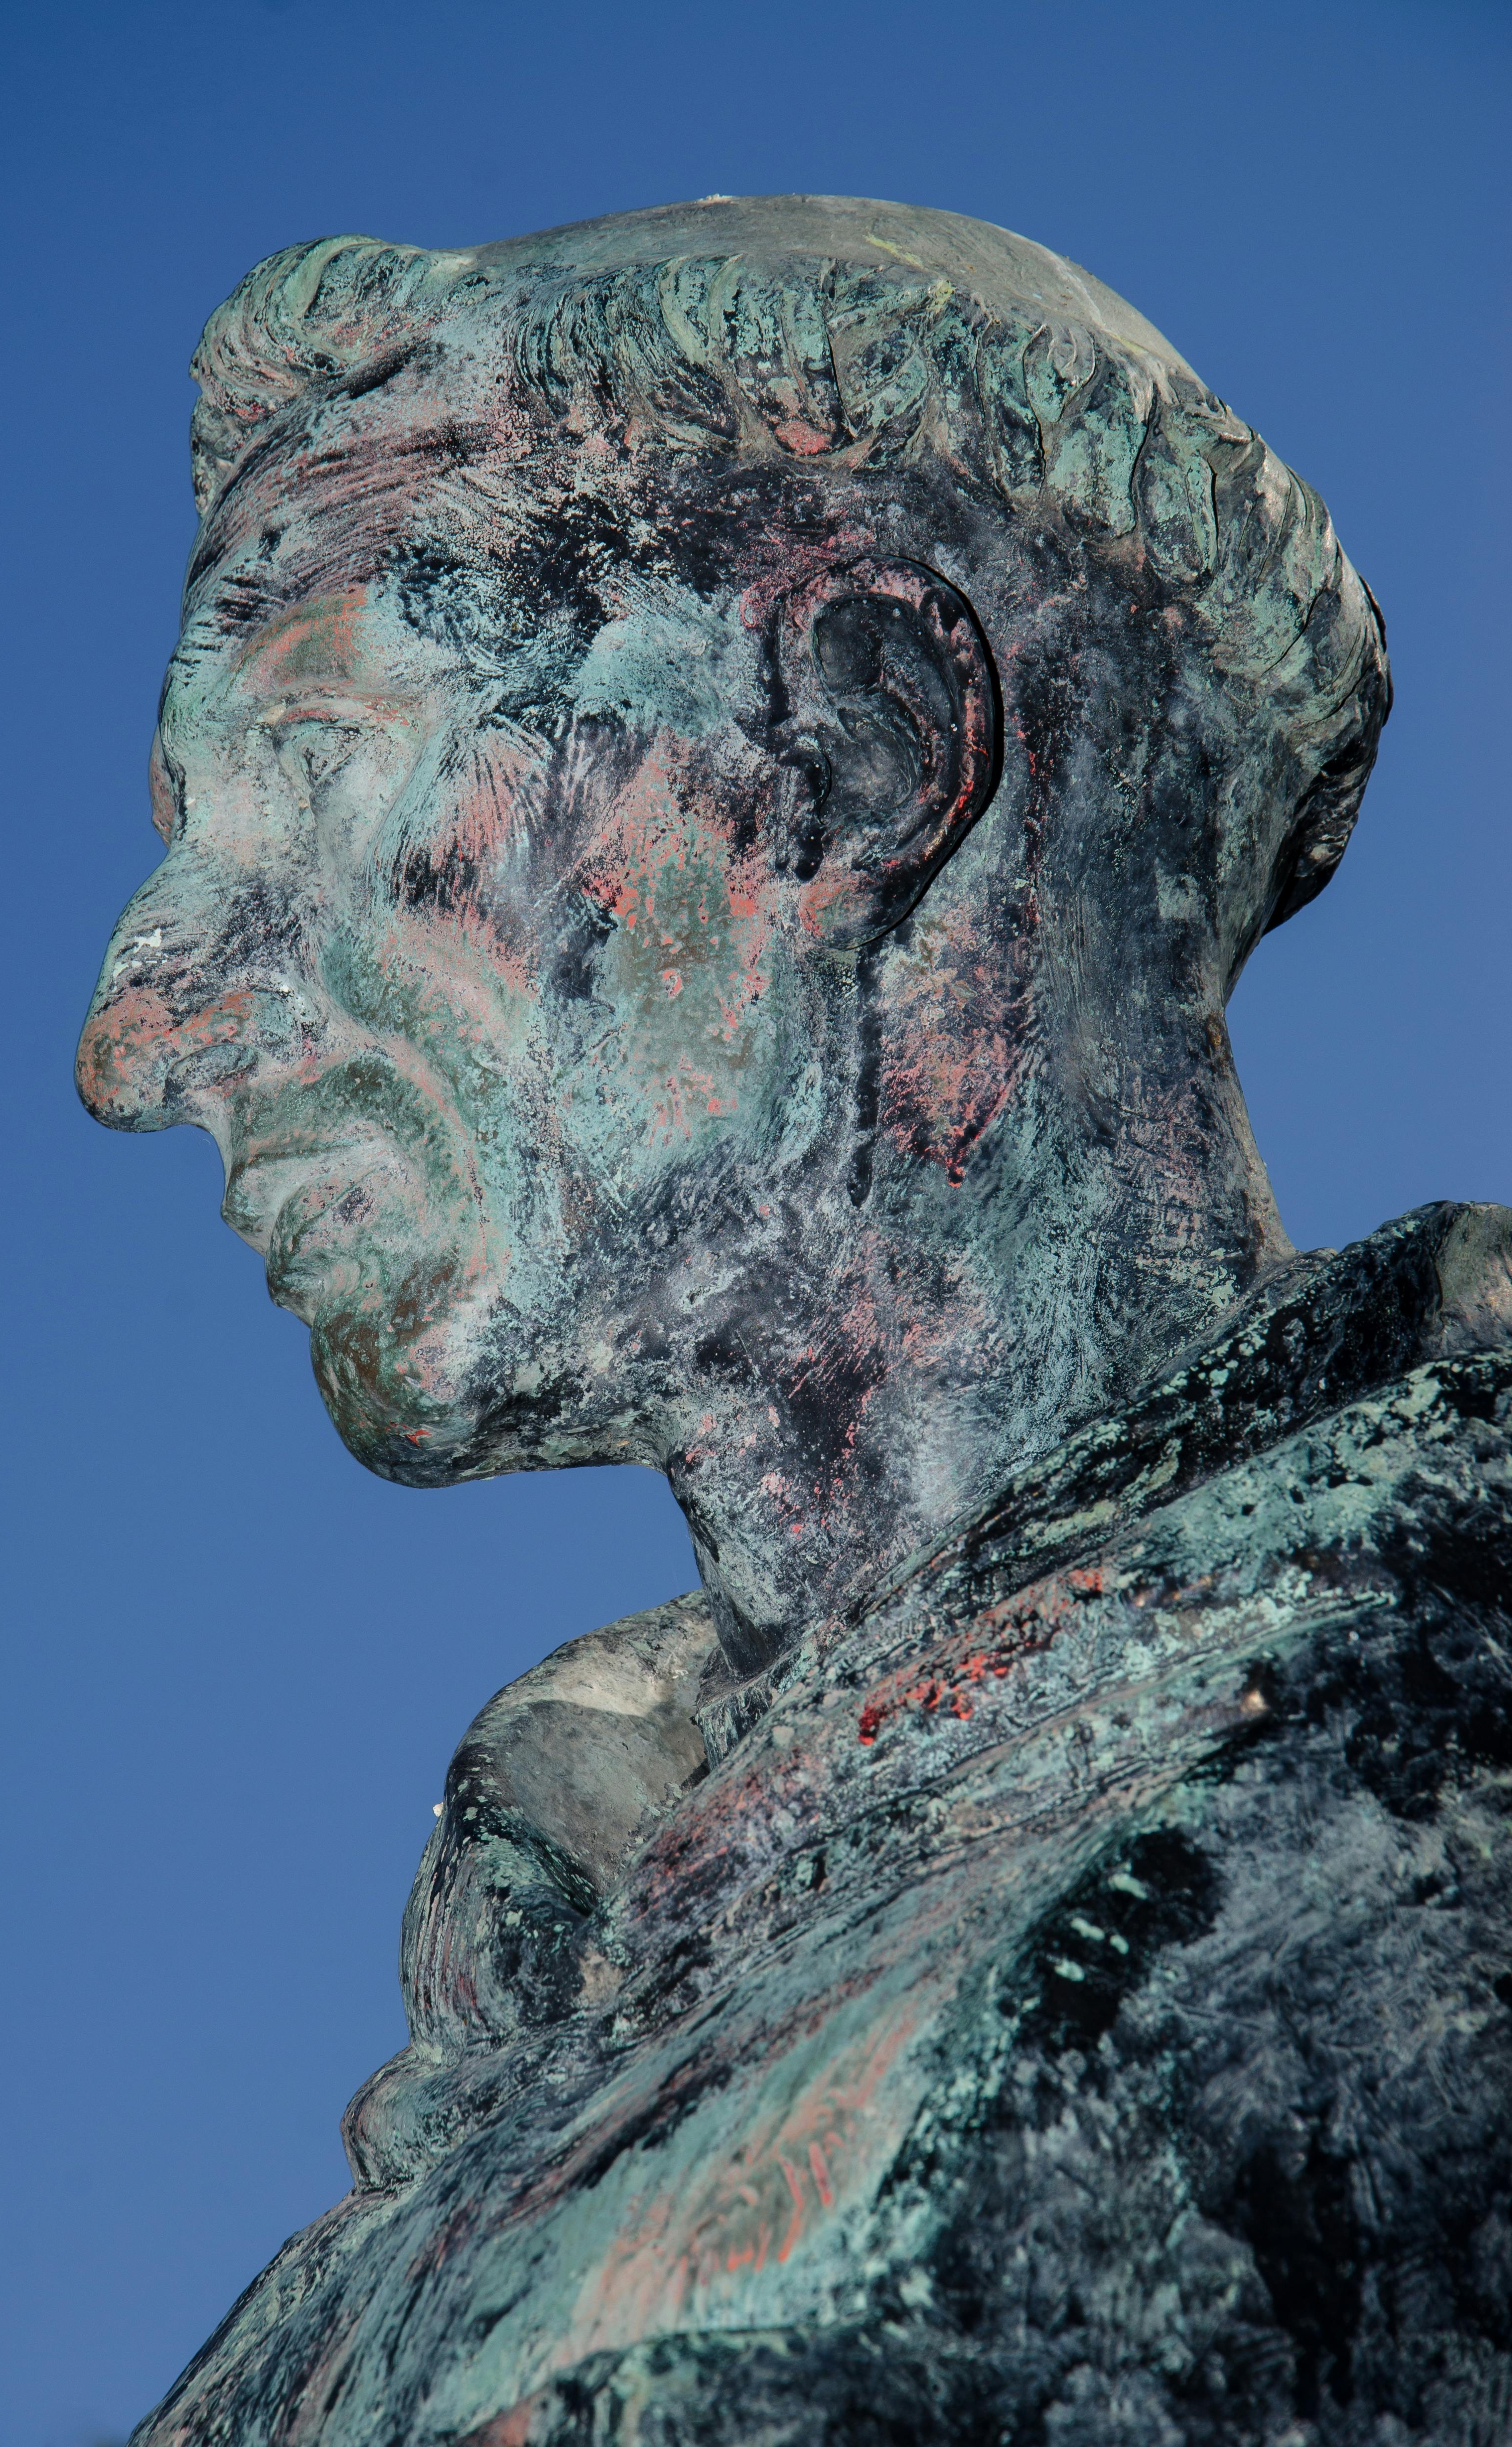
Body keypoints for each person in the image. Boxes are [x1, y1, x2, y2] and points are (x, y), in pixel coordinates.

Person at [77, 196, 1512, 2447]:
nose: (139, 1031)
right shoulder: (541, 1968)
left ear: (862, 745)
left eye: (322, 763)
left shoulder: (1429, 1701)